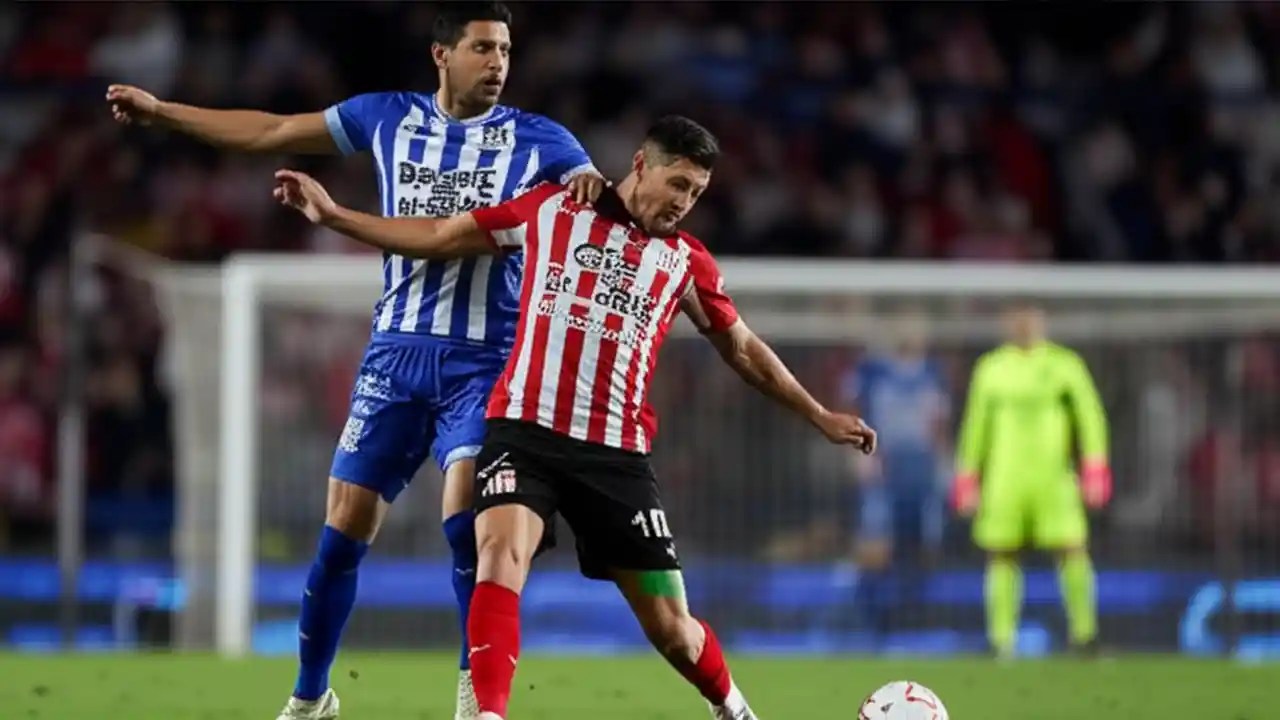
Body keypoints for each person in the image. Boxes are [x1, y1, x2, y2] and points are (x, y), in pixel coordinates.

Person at [273, 115, 878, 720]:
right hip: (523, 432)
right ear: (642, 163)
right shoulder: (553, 210)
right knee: (498, 555)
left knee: (675, 630)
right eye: (677, 183)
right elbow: (441, 233)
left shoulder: (685, 263)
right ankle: (486, 714)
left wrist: (819, 414)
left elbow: (743, 349)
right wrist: (337, 218)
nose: (683, 203)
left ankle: (733, 708)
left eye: (695, 193)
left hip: (613, 455)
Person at [106, 4, 606, 719]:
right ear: (442, 54)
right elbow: (274, 130)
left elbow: (595, 187)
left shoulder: (542, 141)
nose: (498, 63)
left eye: (505, 50)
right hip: (395, 356)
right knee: (343, 530)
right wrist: (163, 113)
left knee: (467, 516)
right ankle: (312, 697)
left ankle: (475, 696)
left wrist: (590, 183)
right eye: (483, 48)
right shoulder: (386, 118)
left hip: (487, 360)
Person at [952, 302, 1112, 658]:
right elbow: (975, 425)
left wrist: (1095, 468)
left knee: (1071, 548)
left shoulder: (1064, 364)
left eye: (1030, 316)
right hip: (1005, 478)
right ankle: (1001, 640)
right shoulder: (991, 368)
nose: (1023, 324)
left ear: (1042, 320)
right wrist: (967, 477)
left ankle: (1085, 636)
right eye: (1016, 316)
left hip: (1054, 477)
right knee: (1001, 554)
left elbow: (1090, 417)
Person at [842, 308, 950, 641]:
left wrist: (946, 461)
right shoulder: (871, 370)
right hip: (884, 467)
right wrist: (856, 452)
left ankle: (914, 619)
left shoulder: (934, 372)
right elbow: (852, 410)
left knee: (925, 547)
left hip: (921, 469)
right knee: (876, 545)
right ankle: (868, 625)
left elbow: (939, 422)